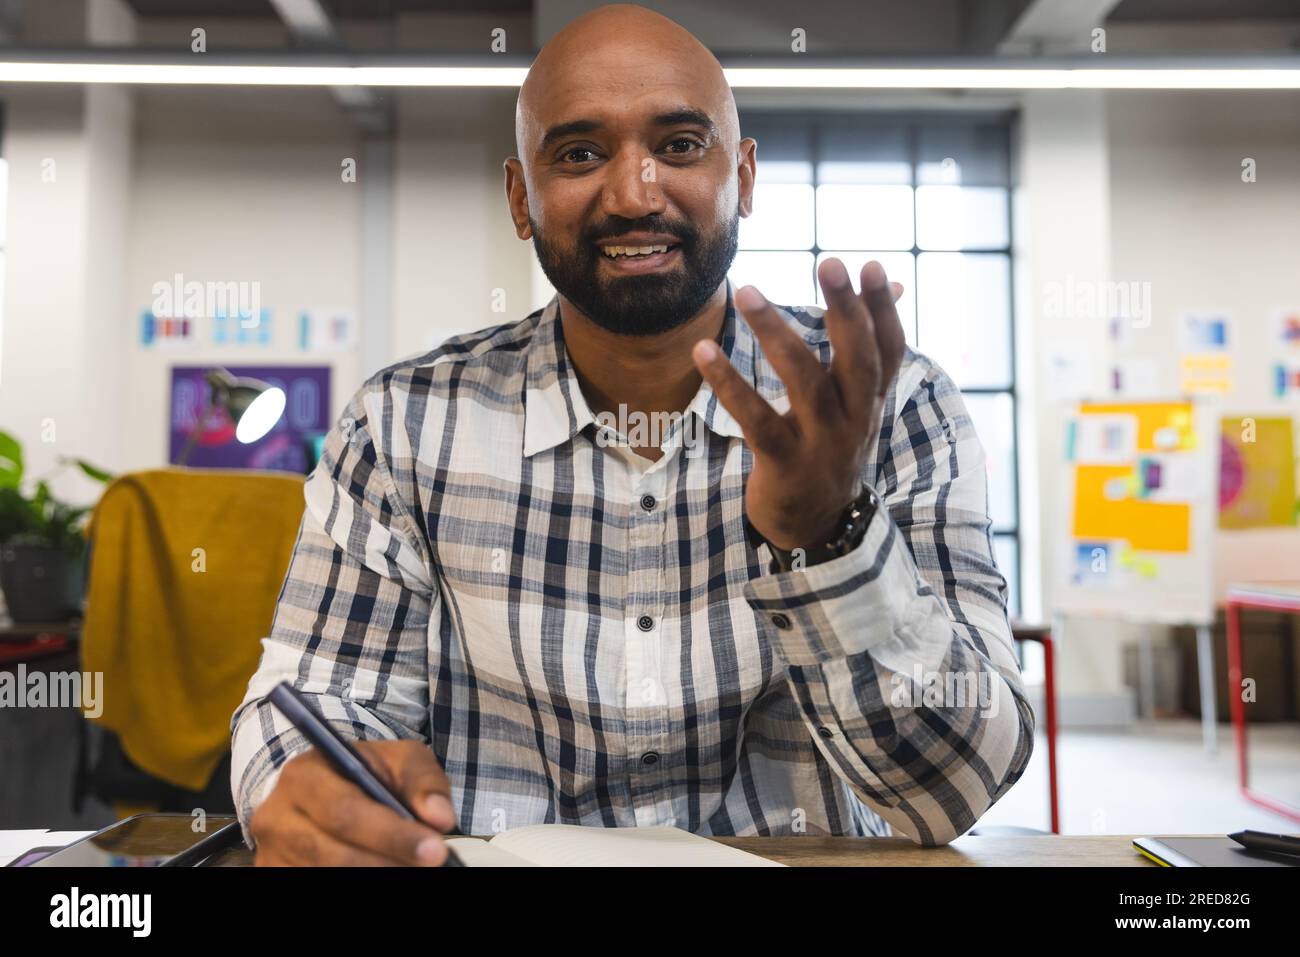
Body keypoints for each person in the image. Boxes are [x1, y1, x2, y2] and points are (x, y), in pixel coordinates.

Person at [231, 3, 1033, 866]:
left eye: (680, 145)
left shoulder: (889, 406)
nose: (633, 195)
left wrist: (829, 538)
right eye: (580, 154)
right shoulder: (401, 426)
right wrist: (307, 784)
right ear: (521, 198)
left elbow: (957, 786)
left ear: (744, 177)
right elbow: (310, 702)